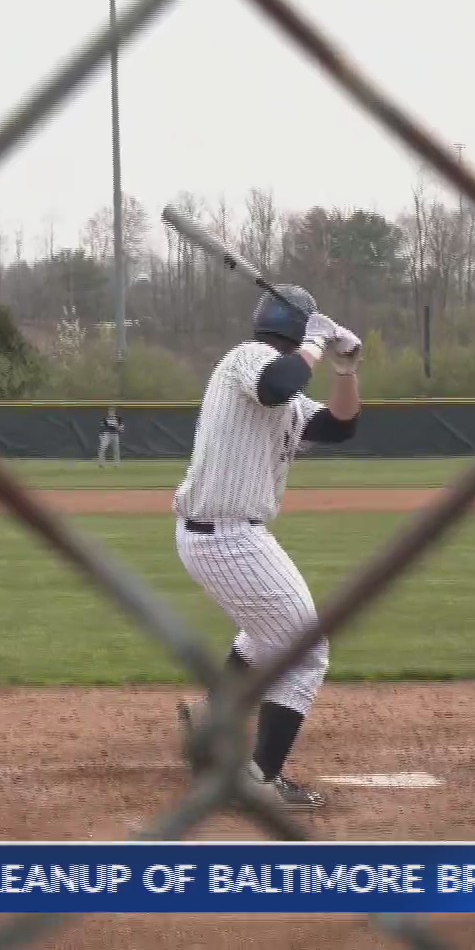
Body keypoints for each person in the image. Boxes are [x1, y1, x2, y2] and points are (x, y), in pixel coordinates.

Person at [172, 284, 363, 811]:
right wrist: (320, 343)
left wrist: (347, 369)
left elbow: (340, 427)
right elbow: (278, 383)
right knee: (305, 650)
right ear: (299, 330)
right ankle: (260, 779)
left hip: (230, 533)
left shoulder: (283, 391)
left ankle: (213, 720)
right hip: (227, 533)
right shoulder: (249, 359)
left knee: (266, 636)